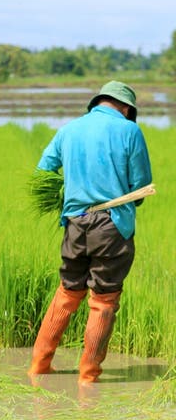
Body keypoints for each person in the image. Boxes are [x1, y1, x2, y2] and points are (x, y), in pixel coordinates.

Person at [28, 81, 152, 384]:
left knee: (68, 291)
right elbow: (140, 187)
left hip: (74, 223)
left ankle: (39, 365)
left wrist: (70, 195)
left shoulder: (69, 130)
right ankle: (88, 375)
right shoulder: (129, 131)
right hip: (111, 225)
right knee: (104, 299)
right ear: (126, 108)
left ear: (98, 103)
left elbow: (44, 172)